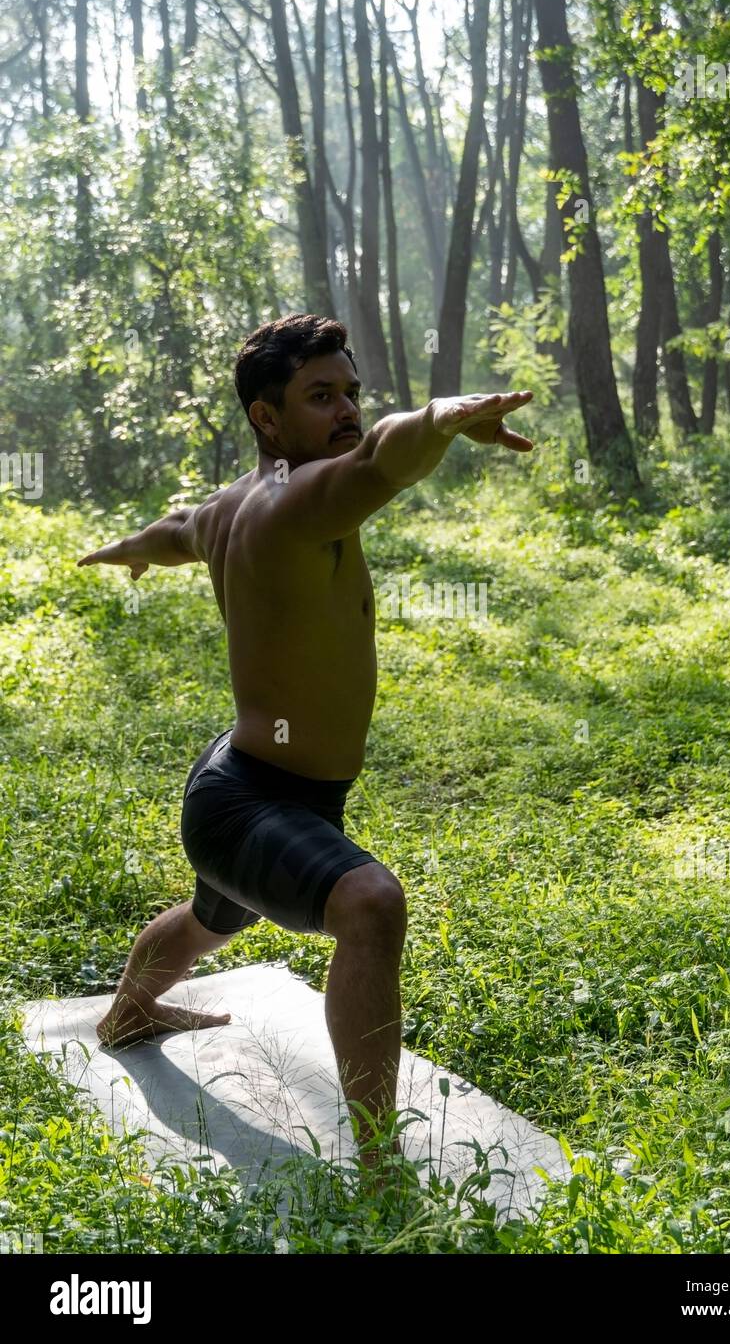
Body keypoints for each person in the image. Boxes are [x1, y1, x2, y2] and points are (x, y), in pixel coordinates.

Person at [77, 312, 533, 1173]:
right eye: (321, 396)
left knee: (213, 916)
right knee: (370, 902)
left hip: (242, 786)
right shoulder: (302, 499)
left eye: (353, 393)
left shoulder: (228, 510)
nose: (348, 411)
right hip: (248, 799)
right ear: (266, 417)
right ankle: (377, 1165)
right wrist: (441, 417)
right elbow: (381, 458)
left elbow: (173, 531)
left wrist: (123, 549)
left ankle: (129, 1013)